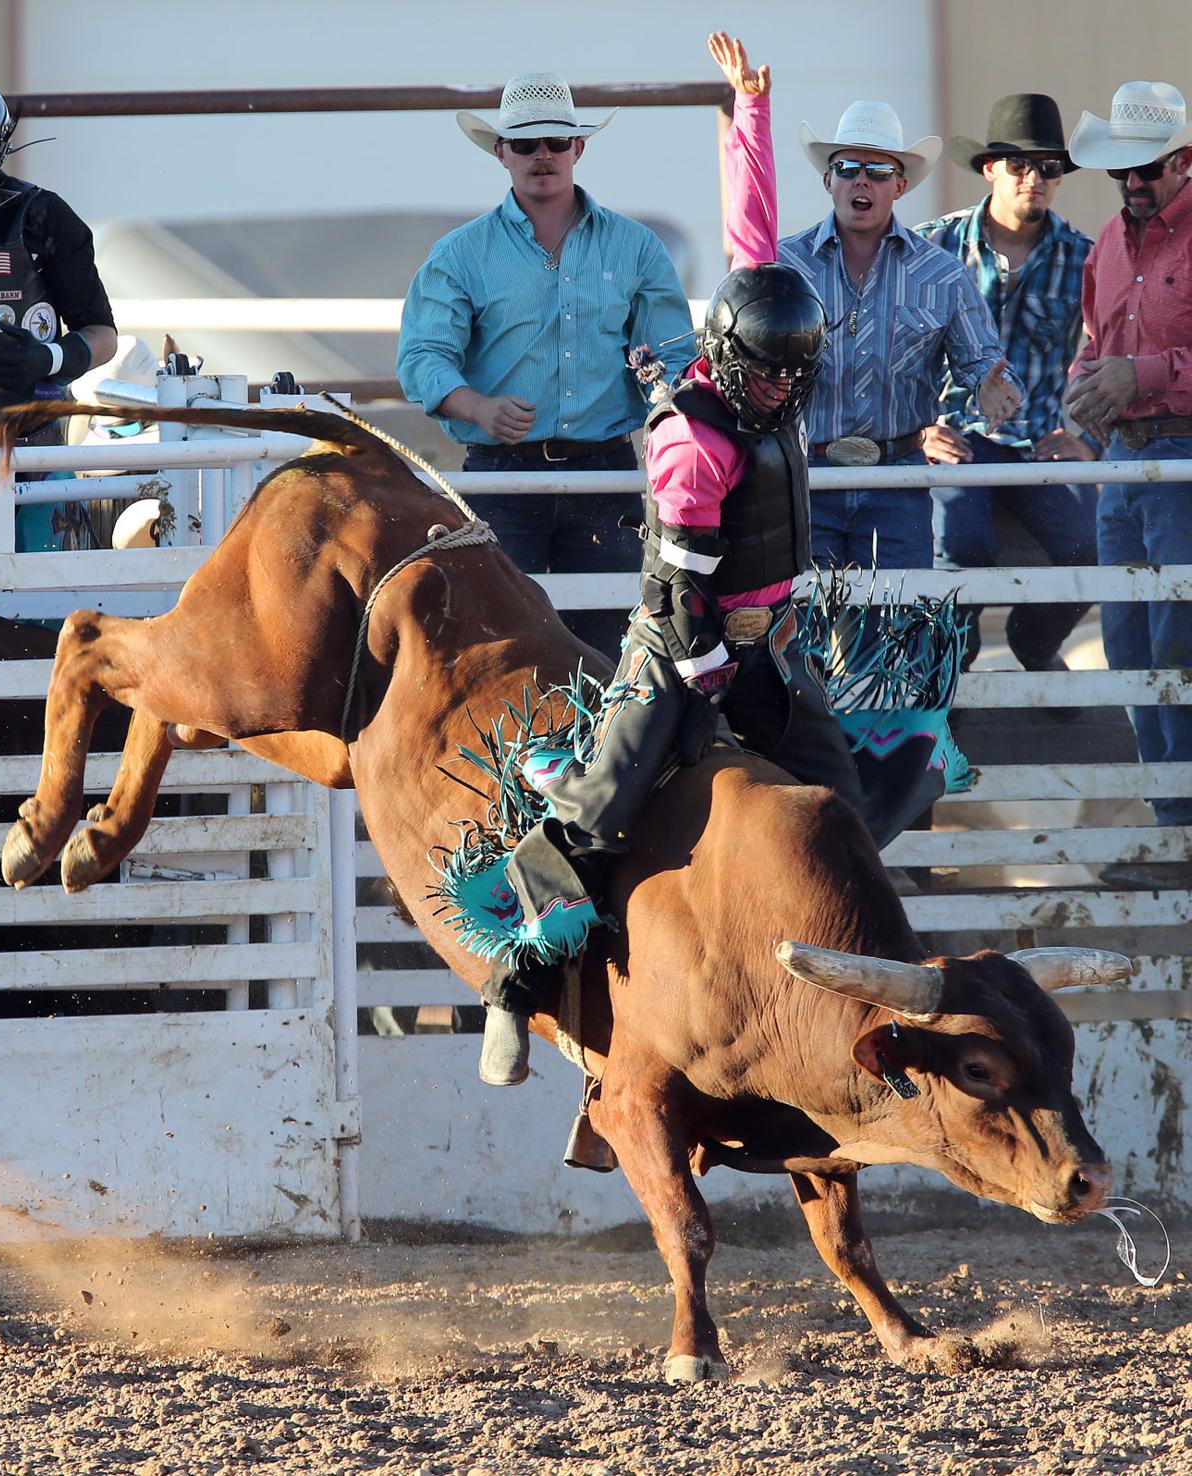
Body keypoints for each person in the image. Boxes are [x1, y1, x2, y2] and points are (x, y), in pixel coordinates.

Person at [476, 35, 934, 1087]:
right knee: (607, 798)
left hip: (769, 642)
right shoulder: (693, 440)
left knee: (843, 808)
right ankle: (514, 979)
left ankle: (858, 982)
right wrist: (709, 677)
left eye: (795, 374)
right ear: (734, 360)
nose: (784, 391)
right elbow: (683, 597)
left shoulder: (762, 372)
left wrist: (750, 117)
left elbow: (752, 238)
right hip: (681, 646)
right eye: (771, 375)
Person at [397, 73, 691, 659]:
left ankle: (602, 751)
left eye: (556, 141)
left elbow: (676, 358)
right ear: (501, 153)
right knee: (497, 649)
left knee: (611, 640)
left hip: (604, 475)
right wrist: (478, 407)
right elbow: (422, 358)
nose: (543, 155)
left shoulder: (635, 248)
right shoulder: (461, 254)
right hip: (503, 477)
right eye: (527, 143)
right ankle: (523, 753)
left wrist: (658, 387)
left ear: (579, 149)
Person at [765, 97, 1022, 571]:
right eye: (847, 168)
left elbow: (982, 361)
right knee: (803, 636)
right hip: (806, 476)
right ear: (829, 181)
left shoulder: (941, 274)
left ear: (899, 186)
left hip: (898, 481)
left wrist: (992, 387)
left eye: (878, 172)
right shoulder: (785, 266)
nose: (861, 181)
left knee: (895, 634)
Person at [915, 95, 1098, 674]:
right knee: (964, 546)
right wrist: (919, 428)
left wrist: (1087, 437)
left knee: (1090, 550)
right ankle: (955, 666)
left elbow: (1106, 351)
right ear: (989, 168)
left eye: (1048, 167)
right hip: (954, 438)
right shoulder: (929, 249)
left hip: (1038, 442)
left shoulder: (1084, 258)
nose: (1034, 180)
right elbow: (893, 353)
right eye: (1018, 165)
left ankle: (1034, 644)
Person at [1066, 81, 1192, 890]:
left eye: (1144, 170)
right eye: (1122, 173)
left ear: (1182, 162)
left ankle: (1181, 830)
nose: (1131, 184)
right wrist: (1082, 391)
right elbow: (1091, 345)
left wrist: (1132, 372)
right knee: (1132, 650)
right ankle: (1172, 827)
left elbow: (1122, 357)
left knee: (1179, 645)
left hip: (1181, 463)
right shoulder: (1108, 242)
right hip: (1125, 467)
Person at [0, 86, 117, 551]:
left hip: (33, 446)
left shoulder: (43, 216)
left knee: (51, 606)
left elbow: (103, 334)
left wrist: (46, 357)